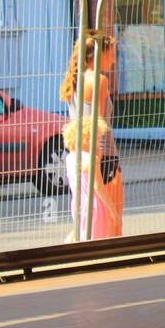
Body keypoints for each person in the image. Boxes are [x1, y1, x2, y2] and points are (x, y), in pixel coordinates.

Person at [60, 31, 123, 237]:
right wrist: (100, 154)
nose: (114, 58)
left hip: (80, 151)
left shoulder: (74, 80)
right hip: (102, 153)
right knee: (114, 216)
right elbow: (99, 122)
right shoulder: (99, 80)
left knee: (85, 219)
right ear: (97, 55)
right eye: (111, 53)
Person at [61, 116, 122, 241]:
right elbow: (98, 187)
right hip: (94, 204)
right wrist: (113, 211)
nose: (100, 141)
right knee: (98, 240)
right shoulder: (91, 159)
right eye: (98, 137)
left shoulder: (70, 157)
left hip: (78, 202)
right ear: (87, 139)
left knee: (81, 235)